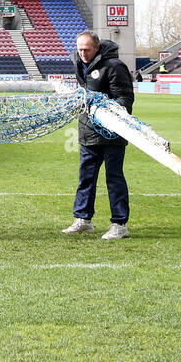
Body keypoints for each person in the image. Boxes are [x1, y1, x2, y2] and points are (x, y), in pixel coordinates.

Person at [63, 30, 134, 240]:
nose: (83, 54)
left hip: (112, 133)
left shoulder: (114, 67)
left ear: (97, 48)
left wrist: (106, 110)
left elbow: (125, 99)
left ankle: (120, 224)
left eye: (87, 50)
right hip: (87, 131)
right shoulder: (79, 63)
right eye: (80, 49)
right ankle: (83, 219)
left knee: (114, 178)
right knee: (86, 178)